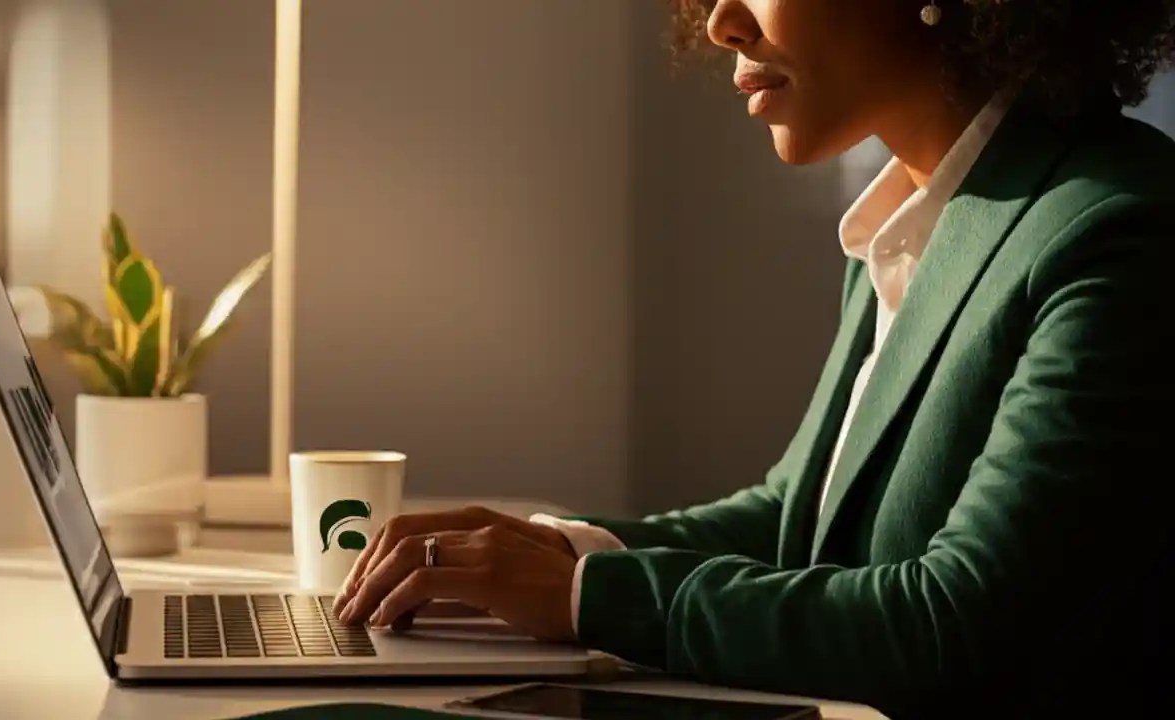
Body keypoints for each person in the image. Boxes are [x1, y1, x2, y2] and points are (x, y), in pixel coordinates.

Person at [334, 1, 1175, 716]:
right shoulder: (917, 221)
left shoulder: (1115, 231)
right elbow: (795, 521)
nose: (720, 23)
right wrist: (550, 550)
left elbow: (956, 624)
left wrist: (587, 598)